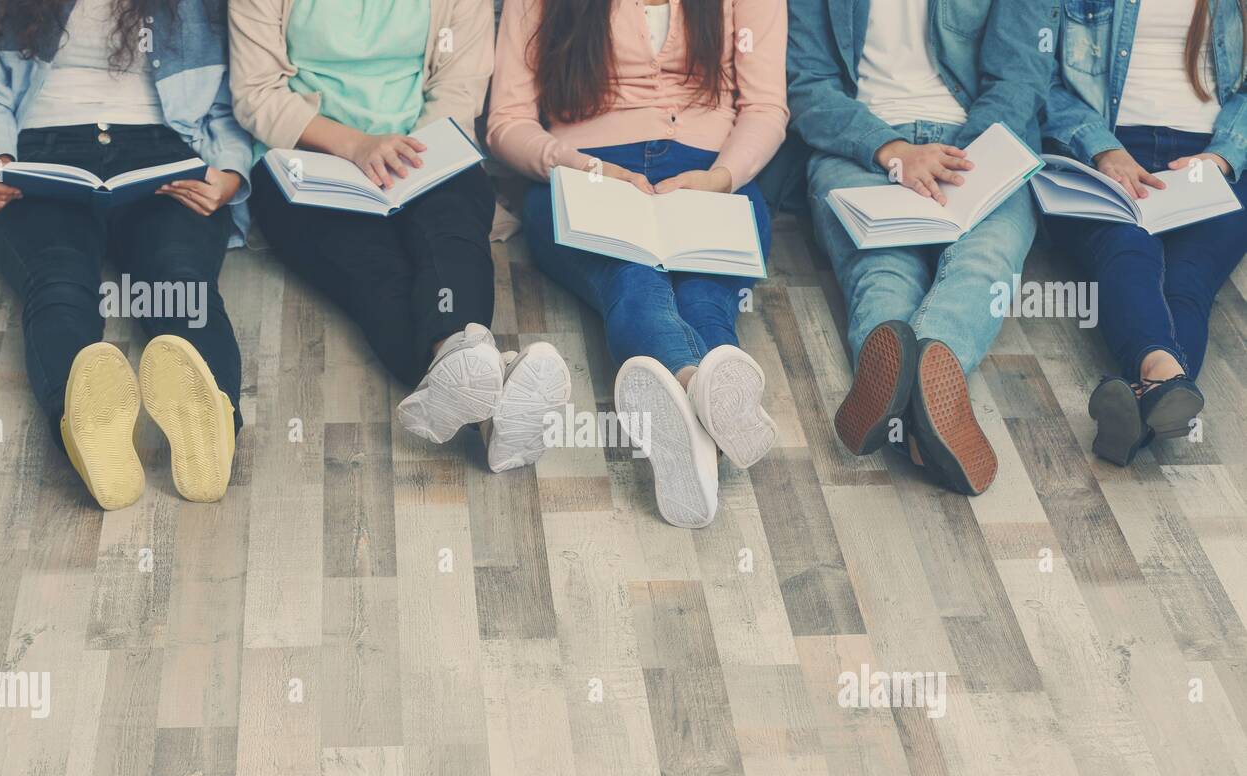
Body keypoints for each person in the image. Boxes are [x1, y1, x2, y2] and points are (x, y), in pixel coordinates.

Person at [230, 0, 572, 473]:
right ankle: (487, 398)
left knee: (449, 238)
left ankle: (453, 351)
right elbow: (256, 94)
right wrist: (357, 147)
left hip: (420, 149)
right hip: (306, 163)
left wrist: (408, 162)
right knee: (376, 269)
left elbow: (459, 85)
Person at [488, 0, 788, 529]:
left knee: (705, 297)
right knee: (633, 281)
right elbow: (507, 123)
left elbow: (766, 108)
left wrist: (719, 179)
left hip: (712, 171)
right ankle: (699, 390)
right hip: (585, 173)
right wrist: (584, 168)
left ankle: (691, 428)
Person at [0, 0, 254, 509]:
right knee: (58, 281)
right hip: (40, 155)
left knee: (179, 281)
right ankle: (87, 424)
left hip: (165, 153)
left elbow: (230, 99)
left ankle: (213, 417)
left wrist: (228, 173)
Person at [788, 0, 1058, 495]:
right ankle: (928, 404)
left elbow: (1021, 74)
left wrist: (965, 164)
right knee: (881, 267)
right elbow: (807, 85)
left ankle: (918, 392)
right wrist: (893, 152)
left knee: (984, 262)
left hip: (976, 146)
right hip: (862, 146)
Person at [1043, 0, 1247, 466]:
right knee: (1128, 247)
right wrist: (1100, 148)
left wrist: (1221, 157)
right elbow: (1040, 79)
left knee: (1187, 280)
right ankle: (1164, 383)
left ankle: (1146, 396)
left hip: (1213, 157)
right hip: (1102, 149)